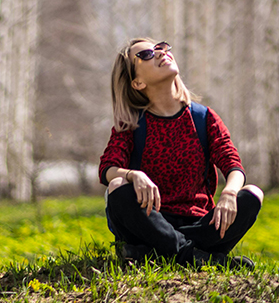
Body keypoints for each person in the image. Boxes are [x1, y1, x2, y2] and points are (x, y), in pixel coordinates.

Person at [98, 37, 263, 269]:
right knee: (117, 186)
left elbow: (233, 165)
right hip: (150, 222)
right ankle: (198, 257)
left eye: (161, 47)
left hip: (201, 225)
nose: (159, 53)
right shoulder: (132, 123)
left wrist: (229, 193)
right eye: (145, 55)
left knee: (253, 194)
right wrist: (133, 175)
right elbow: (107, 168)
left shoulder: (204, 118)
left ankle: (157, 254)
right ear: (137, 83)